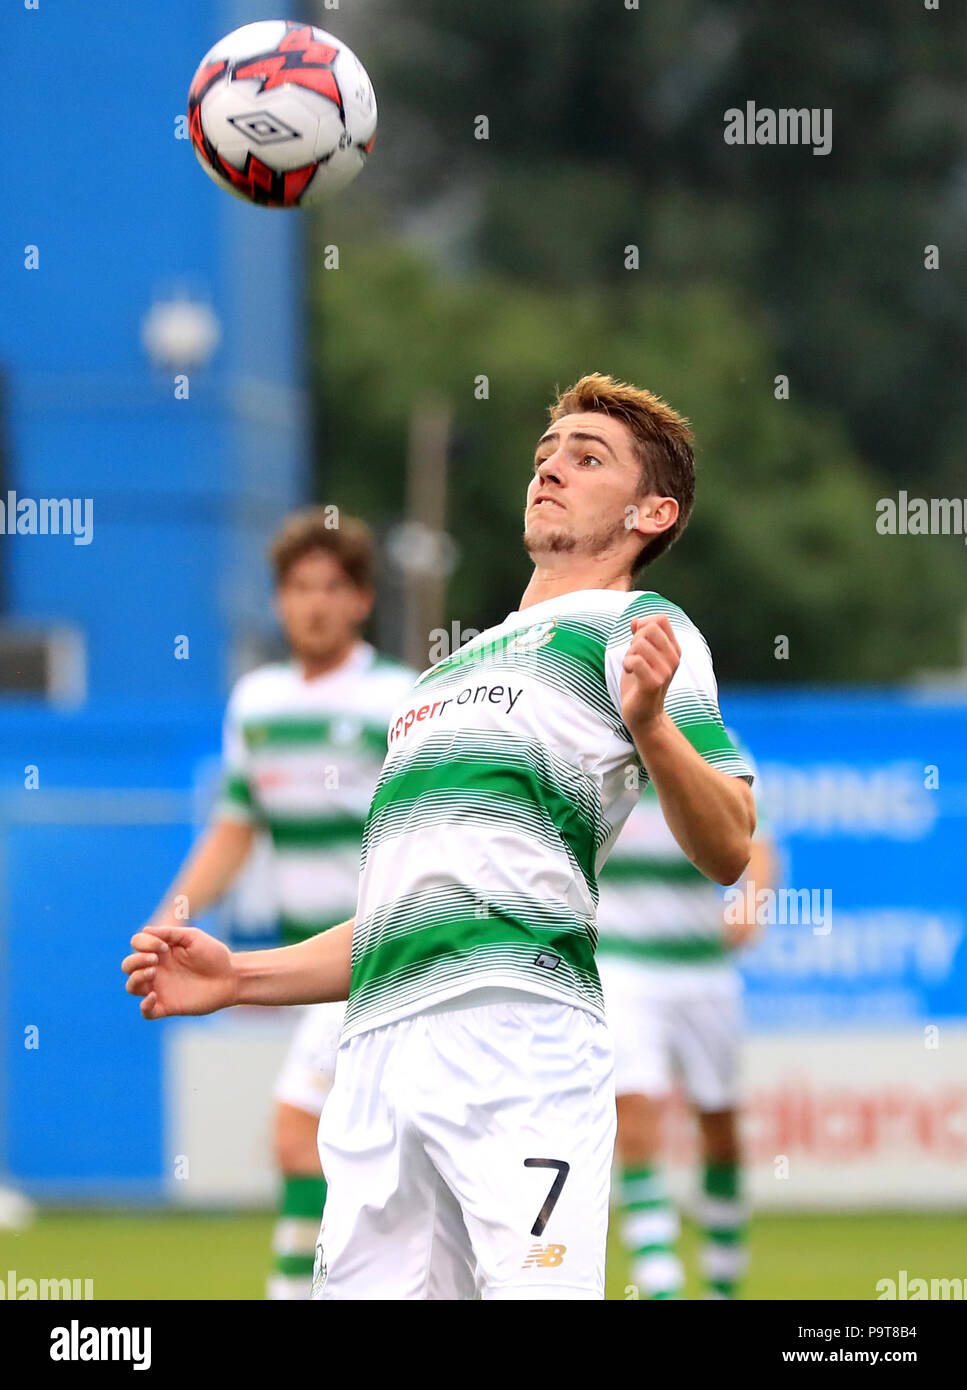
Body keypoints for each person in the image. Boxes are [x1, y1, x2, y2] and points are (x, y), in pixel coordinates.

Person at [124, 373, 756, 1301]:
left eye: (588, 460)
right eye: (546, 457)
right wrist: (240, 980)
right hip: (376, 1057)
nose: (551, 471)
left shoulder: (633, 627)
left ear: (651, 513)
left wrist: (654, 727)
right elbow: (399, 921)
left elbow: (730, 845)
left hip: (517, 1040)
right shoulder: (434, 683)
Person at [140, 508, 413, 1298]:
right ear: (278, 600)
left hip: (376, 955)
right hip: (309, 973)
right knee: (361, 1160)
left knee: (299, 1138)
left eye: (333, 587)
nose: (315, 604)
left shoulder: (396, 697)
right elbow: (235, 829)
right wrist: (172, 916)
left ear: (362, 600)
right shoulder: (256, 702)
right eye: (298, 588)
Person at [595, 750, 776, 1299]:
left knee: (720, 1128)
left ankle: (722, 1284)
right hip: (623, 964)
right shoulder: (592, 750)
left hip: (702, 968)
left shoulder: (720, 751)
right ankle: (660, 1283)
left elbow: (758, 845)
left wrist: (752, 905)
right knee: (636, 1106)